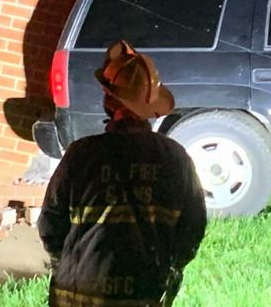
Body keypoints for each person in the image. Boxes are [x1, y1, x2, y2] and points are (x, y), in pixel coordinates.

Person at [39, 40, 207, 307]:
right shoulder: (176, 159)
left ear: (109, 98)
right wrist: (169, 269)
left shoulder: (80, 155)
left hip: (78, 296)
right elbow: (192, 229)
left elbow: (50, 225)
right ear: (150, 105)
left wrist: (69, 264)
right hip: (145, 295)